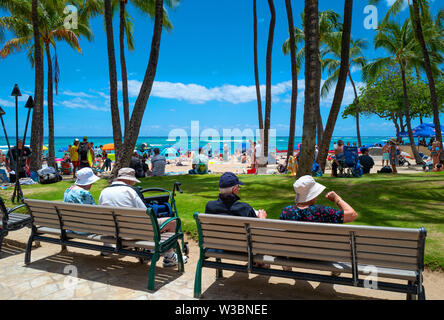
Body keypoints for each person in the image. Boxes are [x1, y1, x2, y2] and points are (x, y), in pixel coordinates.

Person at [98, 168, 187, 267]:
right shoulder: (130, 191)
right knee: (173, 222)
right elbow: (147, 214)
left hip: (112, 232)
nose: (133, 184)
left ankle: (155, 251)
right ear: (129, 180)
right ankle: (169, 257)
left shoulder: (104, 191)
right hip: (132, 233)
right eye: (133, 181)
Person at [280, 175, 357, 223]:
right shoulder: (321, 211)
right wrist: (337, 199)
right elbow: (352, 215)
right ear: (313, 194)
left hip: (294, 248)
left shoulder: (286, 211)